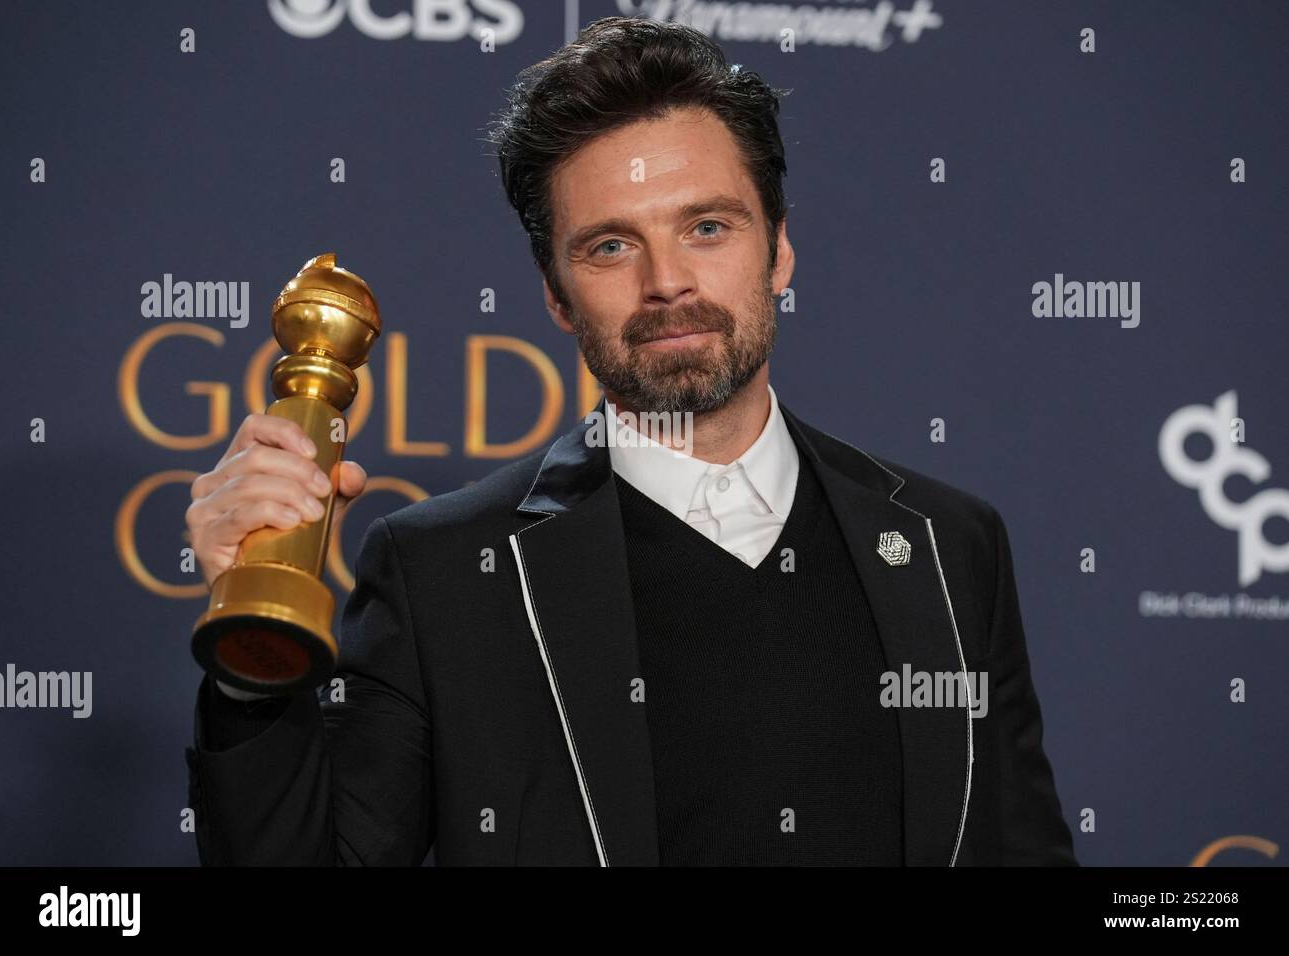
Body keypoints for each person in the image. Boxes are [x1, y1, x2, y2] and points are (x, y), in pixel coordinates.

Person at [183, 16, 1075, 866]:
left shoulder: (951, 547)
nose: (667, 283)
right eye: (611, 246)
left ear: (780, 251)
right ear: (556, 295)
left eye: (708, 227)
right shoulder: (445, 573)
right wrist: (250, 660)